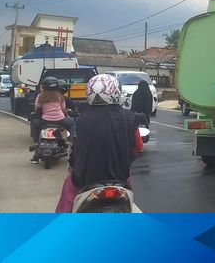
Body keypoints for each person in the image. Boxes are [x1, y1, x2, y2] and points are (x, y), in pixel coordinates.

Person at [56, 74, 142, 213]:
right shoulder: (129, 118)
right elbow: (138, 146)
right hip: (120, 177)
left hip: (86, 179)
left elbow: (76, 148)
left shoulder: (82, 119)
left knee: (68, 189)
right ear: (115, 91)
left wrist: (72, 164)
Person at [30, 77, 76, 163]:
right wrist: (66, 116)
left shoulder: (40, 96)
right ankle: (69, 140)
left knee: (34, 122)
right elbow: (63, 109)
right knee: (72, 123)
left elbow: (37, 108)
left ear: (43, 86)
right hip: (60, 121)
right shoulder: (59, 96)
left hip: (45, 121)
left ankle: (36, 141)